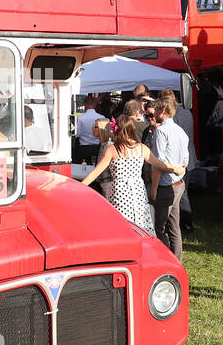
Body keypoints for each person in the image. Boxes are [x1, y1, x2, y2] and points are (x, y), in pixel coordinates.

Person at [81, 117, 183, 235]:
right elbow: (160, 165)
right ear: (132, 129)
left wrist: (79, 186)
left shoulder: (112, 149)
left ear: (116, 131)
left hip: (120, 192)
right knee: (141, 223)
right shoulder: (141, 148)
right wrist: (176, 169)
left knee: (121, 224)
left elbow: (96, 172)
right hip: (138, 190)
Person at [149, 96, 190, 261]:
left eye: (157, 110)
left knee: (159, 227)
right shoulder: (180, 131)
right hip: (179, 182)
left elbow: (158, 163)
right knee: (174, 226)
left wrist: (153, 189)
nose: (154, 113)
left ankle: (164, 260)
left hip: (166, 185)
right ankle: (176, 261)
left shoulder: (161, 131)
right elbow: (185, 162)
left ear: (163, 111)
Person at [158, 88, 196, 232]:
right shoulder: (187, 112)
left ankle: (185, 224)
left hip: (180, 160)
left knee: (181, 194)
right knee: (184, 193)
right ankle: (184, 223)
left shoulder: (174, 118)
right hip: (190, 157)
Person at [74, 93, 104, 165]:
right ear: (95, 104)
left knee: (82, 168)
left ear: (85, 104)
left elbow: (77, 134)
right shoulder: (102, 117)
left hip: (84, 148)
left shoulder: (81, 118)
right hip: (97, 148)